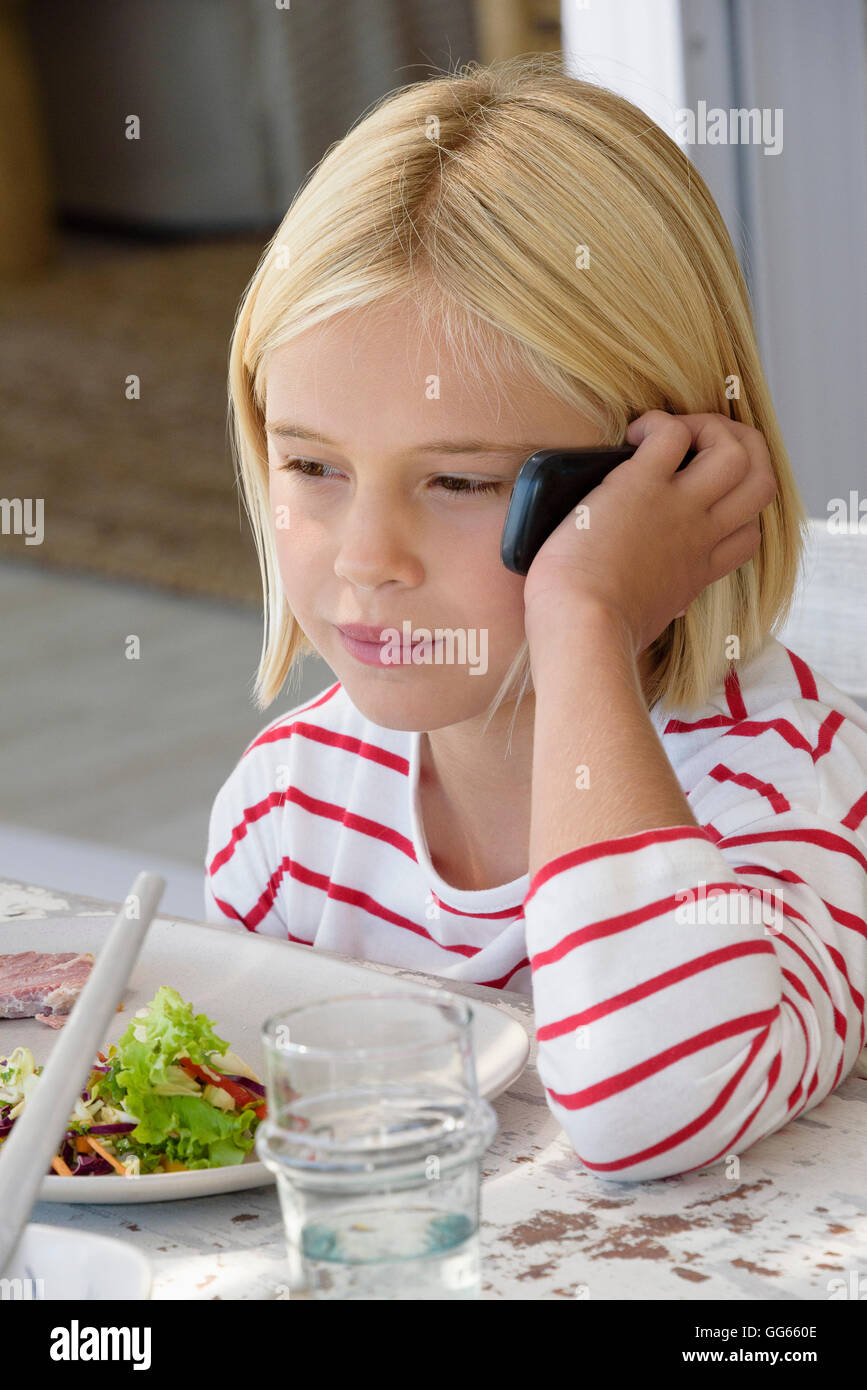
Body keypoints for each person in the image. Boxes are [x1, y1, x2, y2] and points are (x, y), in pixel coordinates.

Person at [204, 55, 867, 1182]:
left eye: (458, 483)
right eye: (312, 463)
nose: (367, 561)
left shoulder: (790, 787)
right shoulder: (290, 813)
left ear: (660, 474)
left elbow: (648, 1109)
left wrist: (583, 619)